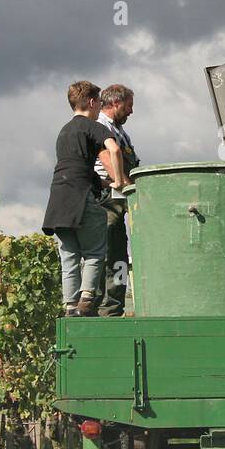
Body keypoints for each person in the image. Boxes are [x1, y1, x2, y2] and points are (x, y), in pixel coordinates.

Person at [41, 81, 128, 316]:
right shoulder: (93, 126)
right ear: (91, 102)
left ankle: (70, 306)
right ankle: (87, 298)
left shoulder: (63, 131)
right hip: (81, 197)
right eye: (99, 101)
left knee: (69, 256)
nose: (100, 106)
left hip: (58, 198)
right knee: (95, 251)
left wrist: (104, 183)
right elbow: (115, 150)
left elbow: (76, 167)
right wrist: (119, 181)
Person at [93, 84, 140, 317]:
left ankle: (116, 306)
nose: (131, 111)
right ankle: (105, 310)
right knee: (109, 254)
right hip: (107, 201)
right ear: (115, 104)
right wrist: (128, 187)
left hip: (121, 201)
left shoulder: (121, 132)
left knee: (120, 255)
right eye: (129, 106)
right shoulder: (100, 127)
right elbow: (109, 164)